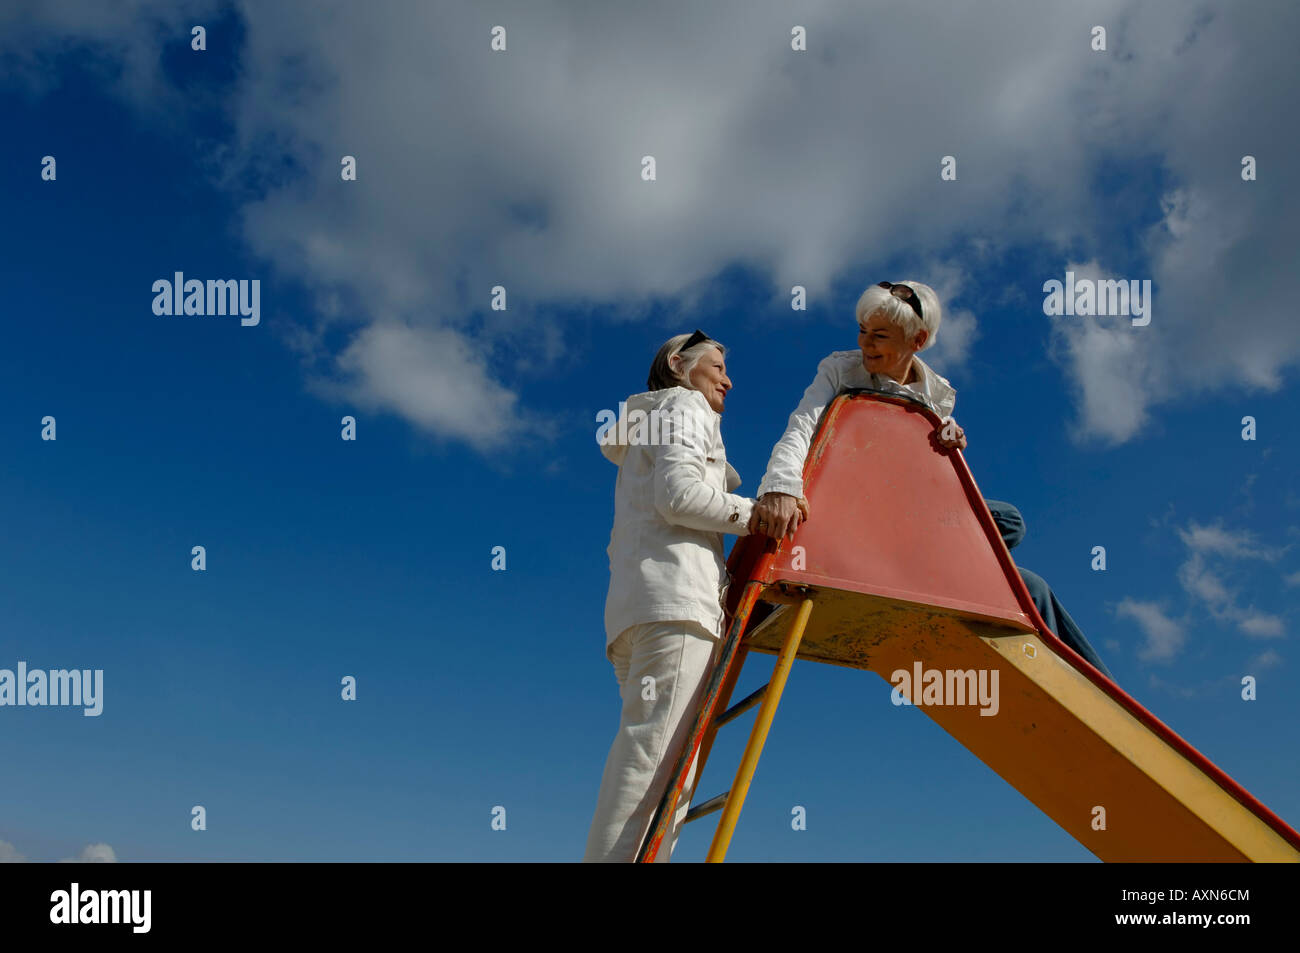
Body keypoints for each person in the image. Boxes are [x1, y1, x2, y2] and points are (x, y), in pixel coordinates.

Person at [749, 281, 1113, 679]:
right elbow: (801, 427)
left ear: (917, 340)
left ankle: (1101, 689)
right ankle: (938, 555)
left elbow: (922, 467)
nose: (866, 343)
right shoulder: (840, 370)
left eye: (880, 336)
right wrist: (781, 486)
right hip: (858, 512)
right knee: (1011, 549)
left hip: (911, 517)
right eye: (862, 331)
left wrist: (944, 440)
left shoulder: (935, 394)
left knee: (1023, 560)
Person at [583, 330, 808, 862]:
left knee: (651, 767)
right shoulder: (682, 404)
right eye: (718, 365)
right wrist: (759, 514)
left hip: (638, 609)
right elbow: (680, 496)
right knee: (653, 773)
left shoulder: (648, 424)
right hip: (678, 603)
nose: (729, 380)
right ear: (679, 365)